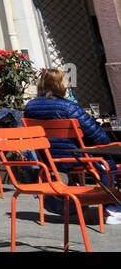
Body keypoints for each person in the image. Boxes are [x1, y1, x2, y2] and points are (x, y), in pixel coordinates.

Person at [25, 68, 120, 222]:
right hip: (76, 157)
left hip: (49, 159)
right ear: (59, 85)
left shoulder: (30, 107)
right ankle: (110, 208)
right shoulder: (69, 107)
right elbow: (100, 138)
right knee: (108, 162)